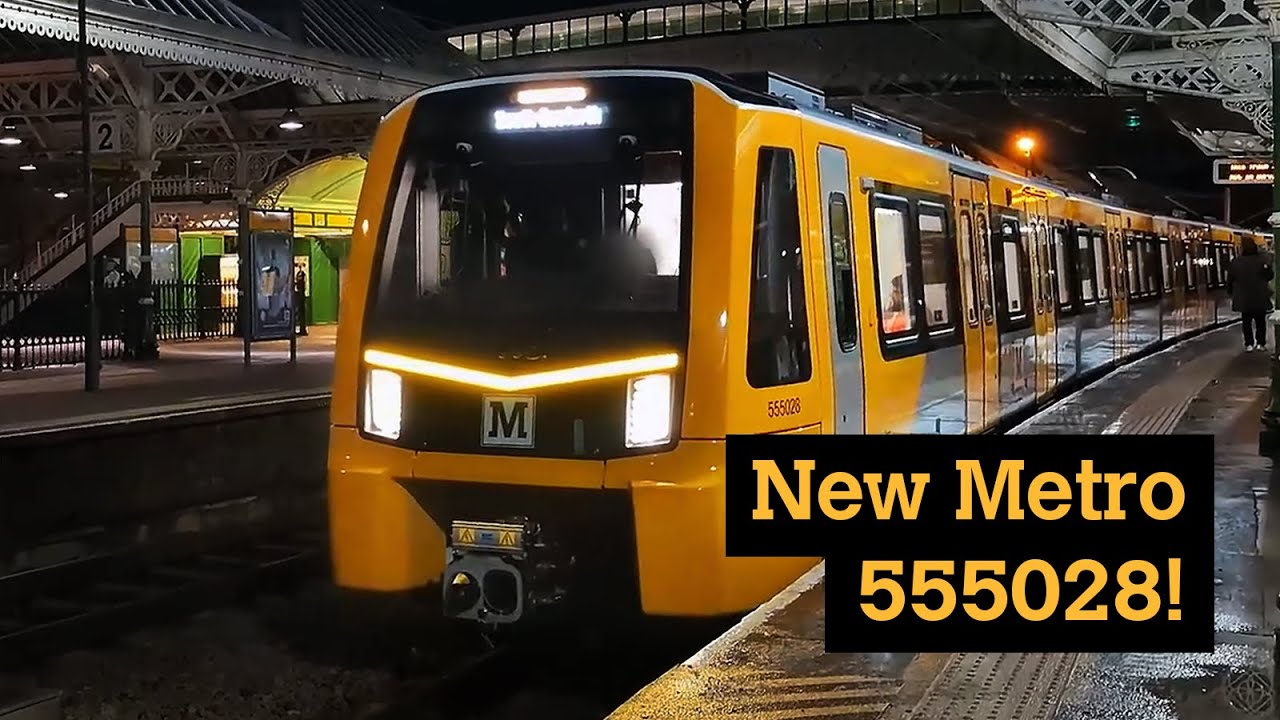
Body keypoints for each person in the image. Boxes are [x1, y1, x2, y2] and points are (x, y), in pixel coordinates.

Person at [1227, 237, 1273, 351]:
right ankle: (1260, 343)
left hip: (1244, 297)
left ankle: (1249, 344)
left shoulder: (1236, 262)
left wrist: (1230, 292)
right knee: (1260, 321)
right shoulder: (1262, 260)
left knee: (1246, 321)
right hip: (1259, 296)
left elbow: (1230, 279)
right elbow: (1269, 276)